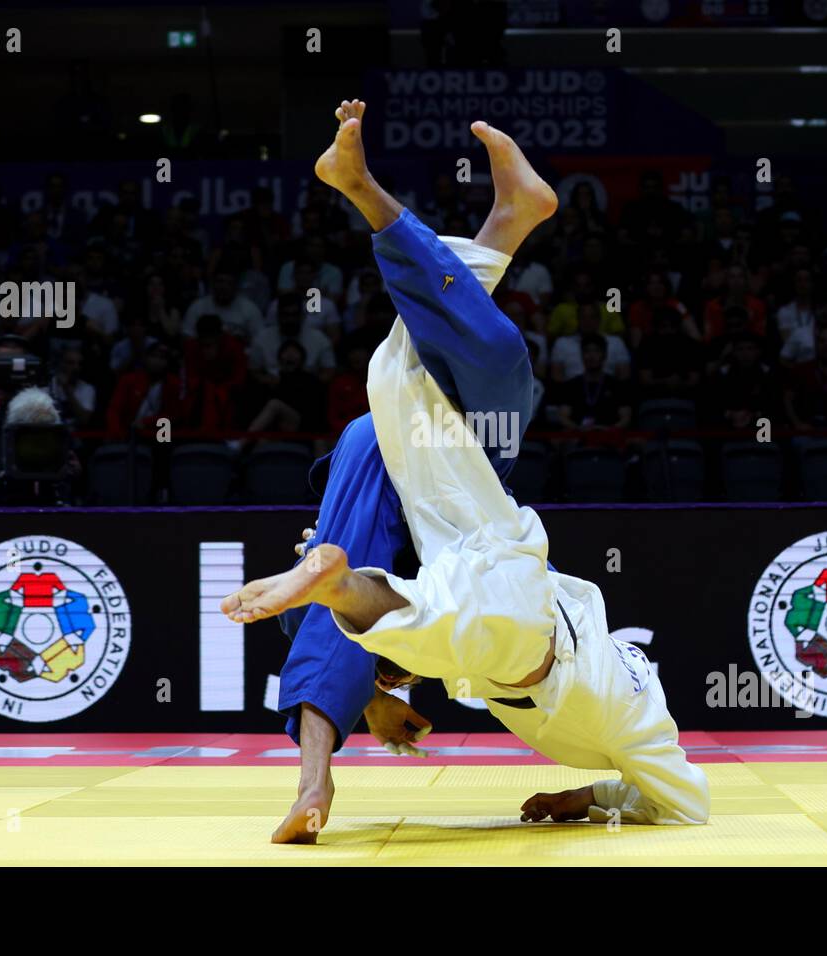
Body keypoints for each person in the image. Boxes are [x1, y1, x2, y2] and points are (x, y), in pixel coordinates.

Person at [221, 122, 710, 829]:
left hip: (491, 554)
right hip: (502, 594)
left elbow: (680, 801)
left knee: (415, 380)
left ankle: (315, 772)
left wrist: (588, 798)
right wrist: (592, 798)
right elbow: (684, 804)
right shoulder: (640, 731)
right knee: (452, 371)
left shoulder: (641, 718)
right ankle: (432, 205)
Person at [223, 99, 558, 844]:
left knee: (485, 358)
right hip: (459, 478)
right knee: (495, 357)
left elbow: (343, 627)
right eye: (390, 688)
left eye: (388, 689)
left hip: (406, 454)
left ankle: (443, 206)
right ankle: (504, 222)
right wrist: (382, 693)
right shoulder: (394, 608)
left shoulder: (346, 569)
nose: (395, 697)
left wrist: (376, 694)